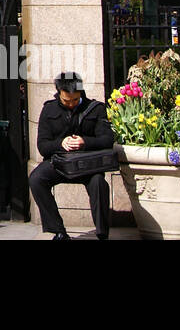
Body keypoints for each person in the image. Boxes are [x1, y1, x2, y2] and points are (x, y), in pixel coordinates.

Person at [28, 72, 114, 241]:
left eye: (75, 100)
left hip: (88, 164)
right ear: (59, 92)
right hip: (59, 162)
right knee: (36, 179)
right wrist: (61, 144)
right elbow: (43, 146)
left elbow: (107, 140)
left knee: (99, 183)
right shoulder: (49, 109)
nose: (71, 104)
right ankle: (58, 231)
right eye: (66, 101)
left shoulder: (96, 109)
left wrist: (84, 142)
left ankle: (102, 233)